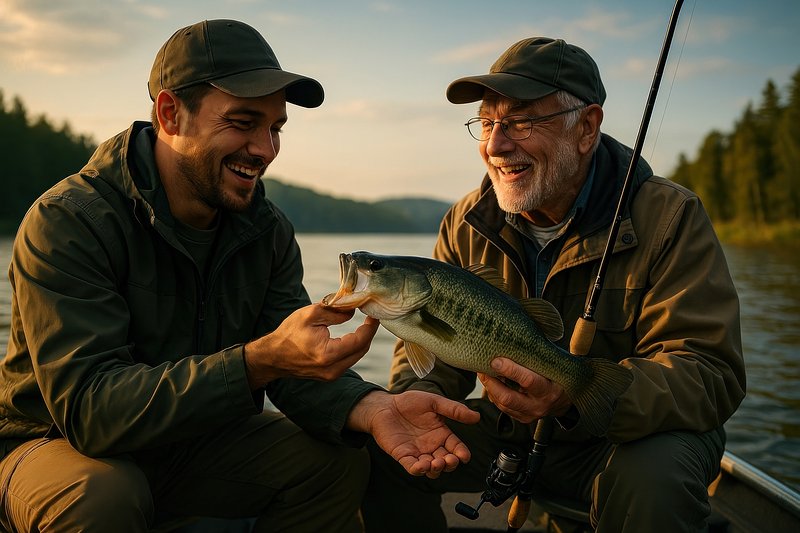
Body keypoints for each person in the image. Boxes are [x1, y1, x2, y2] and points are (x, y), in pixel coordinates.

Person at [0, 19, 480, 532]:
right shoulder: (70, 220)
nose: (265, 148)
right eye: (243, 122)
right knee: (104, 496)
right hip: (53, 443)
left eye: (275, 128)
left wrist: (372, 405)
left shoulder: (266, 231)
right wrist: (256, 362)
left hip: (194, 446)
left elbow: (294, 373)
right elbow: (91, 413)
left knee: (336, 462)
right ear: (170, 114)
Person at [361, 37, 746, 532]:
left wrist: (573, 398)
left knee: (652, 479)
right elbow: (430, 354)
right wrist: (417, 397)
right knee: (384, 447)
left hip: (624, 439)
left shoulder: (669, 216)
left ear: (586, 128)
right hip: (509, 435)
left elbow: (710, 373)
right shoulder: (465, 222)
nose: (496, 145)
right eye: (488, 122)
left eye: (520, 121)